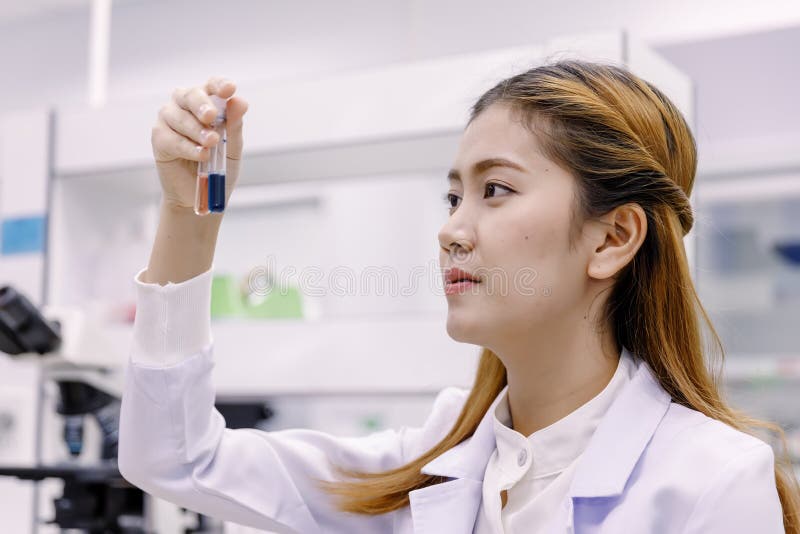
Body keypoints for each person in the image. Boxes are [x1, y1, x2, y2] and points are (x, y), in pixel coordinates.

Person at [118, 61, 800, 533]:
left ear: (613, 237)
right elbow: (176, 458)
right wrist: (190, 215)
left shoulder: (713, 480)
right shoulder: (439, 458)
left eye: (495, 190)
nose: (449, 230)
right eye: (453, 196)